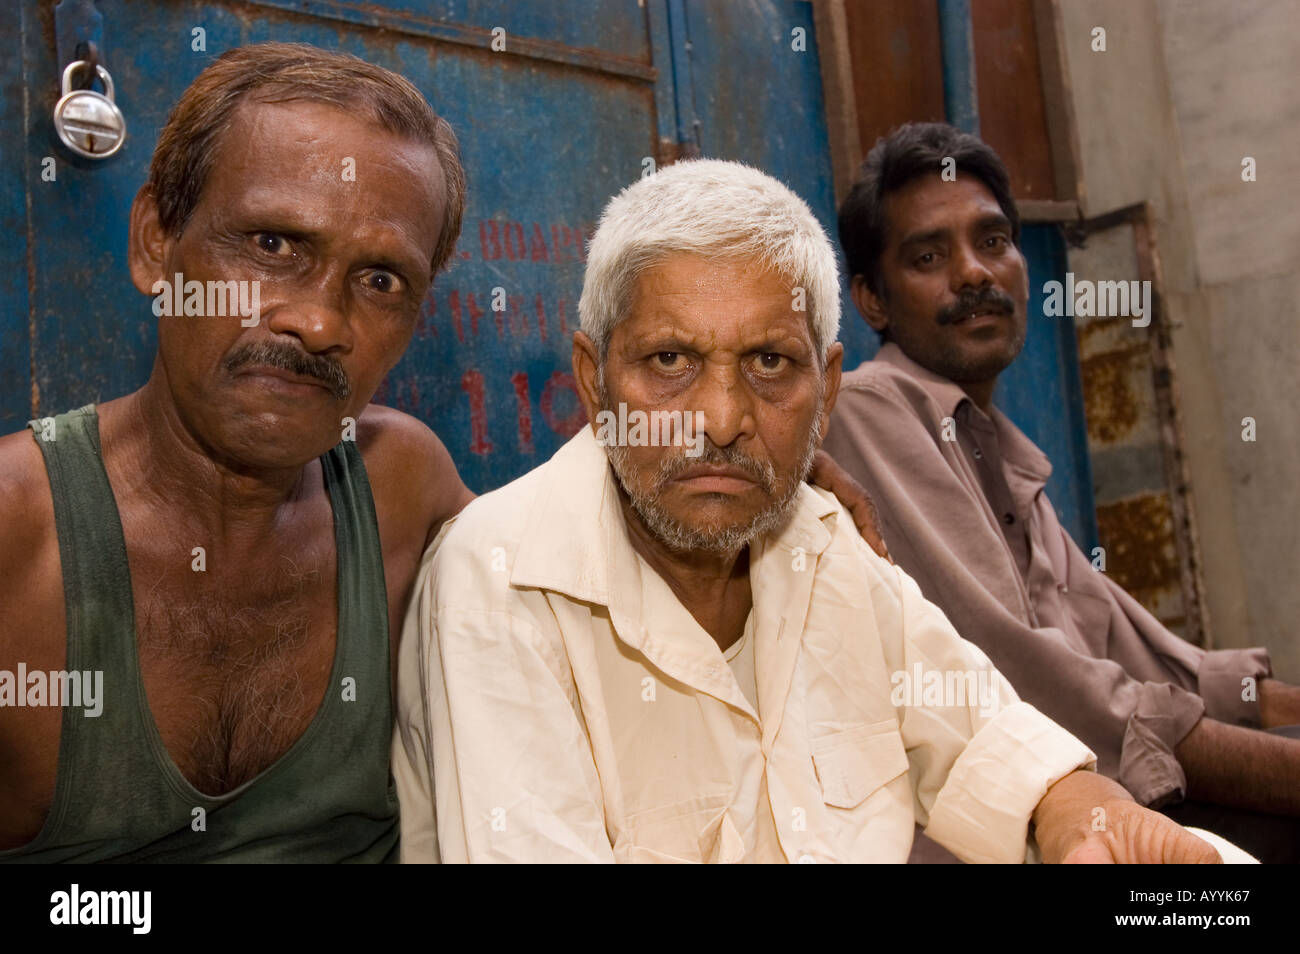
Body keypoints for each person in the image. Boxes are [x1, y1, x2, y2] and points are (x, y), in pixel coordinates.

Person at [392, 158, 1222, 864]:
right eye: (670, 359)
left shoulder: (825, 548)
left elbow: (991, 742)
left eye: (769, 363)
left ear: (826, 394)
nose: (722, 419)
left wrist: (1081, 810)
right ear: (593, 379)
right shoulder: (500, 583)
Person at [0, 43, 474, 861]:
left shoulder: (401, 488)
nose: (319, 323)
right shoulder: (17, 539)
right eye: (272, 245)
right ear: (155, 244)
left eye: (381, 281)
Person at [823, 121, 1300, 862]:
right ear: (872, 300)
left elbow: (1158, 663)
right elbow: (1036, 684)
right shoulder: (869, 409)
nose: (973, 273)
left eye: (992, 241)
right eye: (928, 256)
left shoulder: (998, 451)